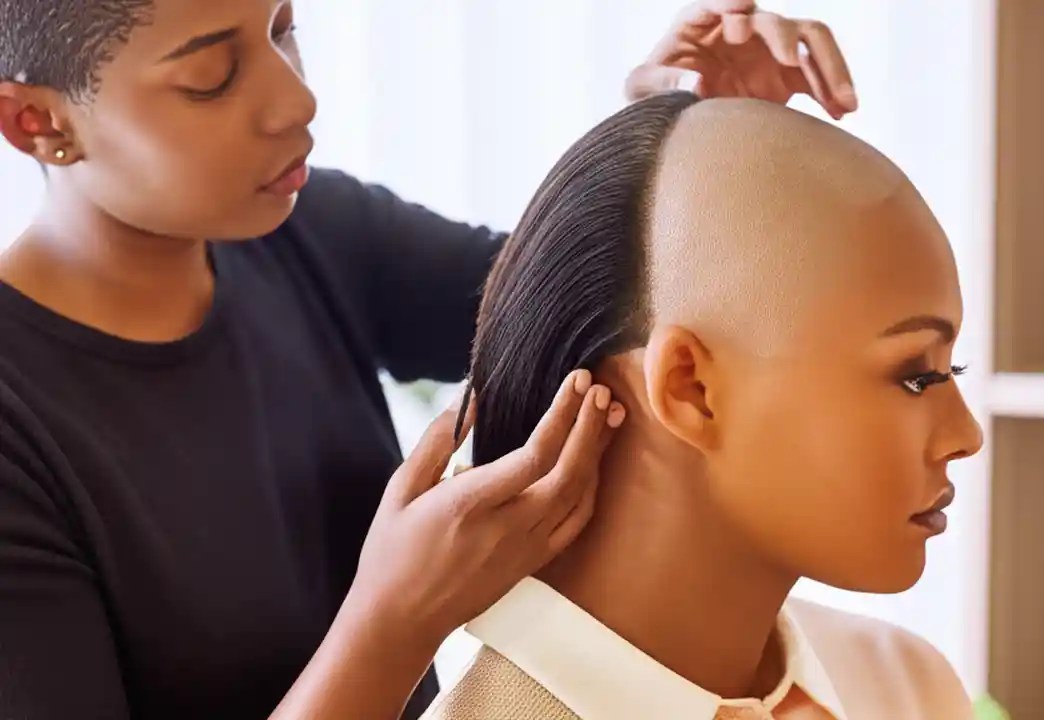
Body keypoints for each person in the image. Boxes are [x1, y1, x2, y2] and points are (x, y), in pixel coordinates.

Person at [0, 1, 858, 718]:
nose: (295, 100)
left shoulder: (308, 232)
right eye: (211, 78)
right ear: (37, 122)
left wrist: (686, 142)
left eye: (282, 29)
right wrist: (393, 620)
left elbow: (588, 308)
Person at [423, 92, 983, 719]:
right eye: (916, 375)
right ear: (691, 388)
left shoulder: (905, 685)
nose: (966, 435)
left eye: (951, 366)